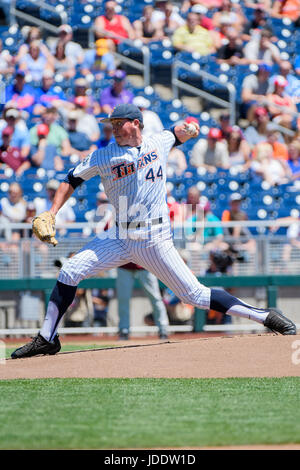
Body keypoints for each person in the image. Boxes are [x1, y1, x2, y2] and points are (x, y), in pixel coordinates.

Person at [11, 103, 296, 359]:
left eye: (118, 123)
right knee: (70, 270)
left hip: (154, 238)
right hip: (119, 237)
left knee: (194, 296)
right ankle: (47, 338)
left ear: (136, 123)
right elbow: (70, 179)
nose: (113, 128)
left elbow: (177, 132)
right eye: (111, 124)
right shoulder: (103, 155)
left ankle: (265, 316)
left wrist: (189, 128)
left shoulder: (157, 142)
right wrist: (51, 212)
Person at [117, 264, 169, 340]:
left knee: (155, 297)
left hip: (144, 264)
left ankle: (163, 329)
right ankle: (123, 331)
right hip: (124, 264)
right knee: (123, 299)